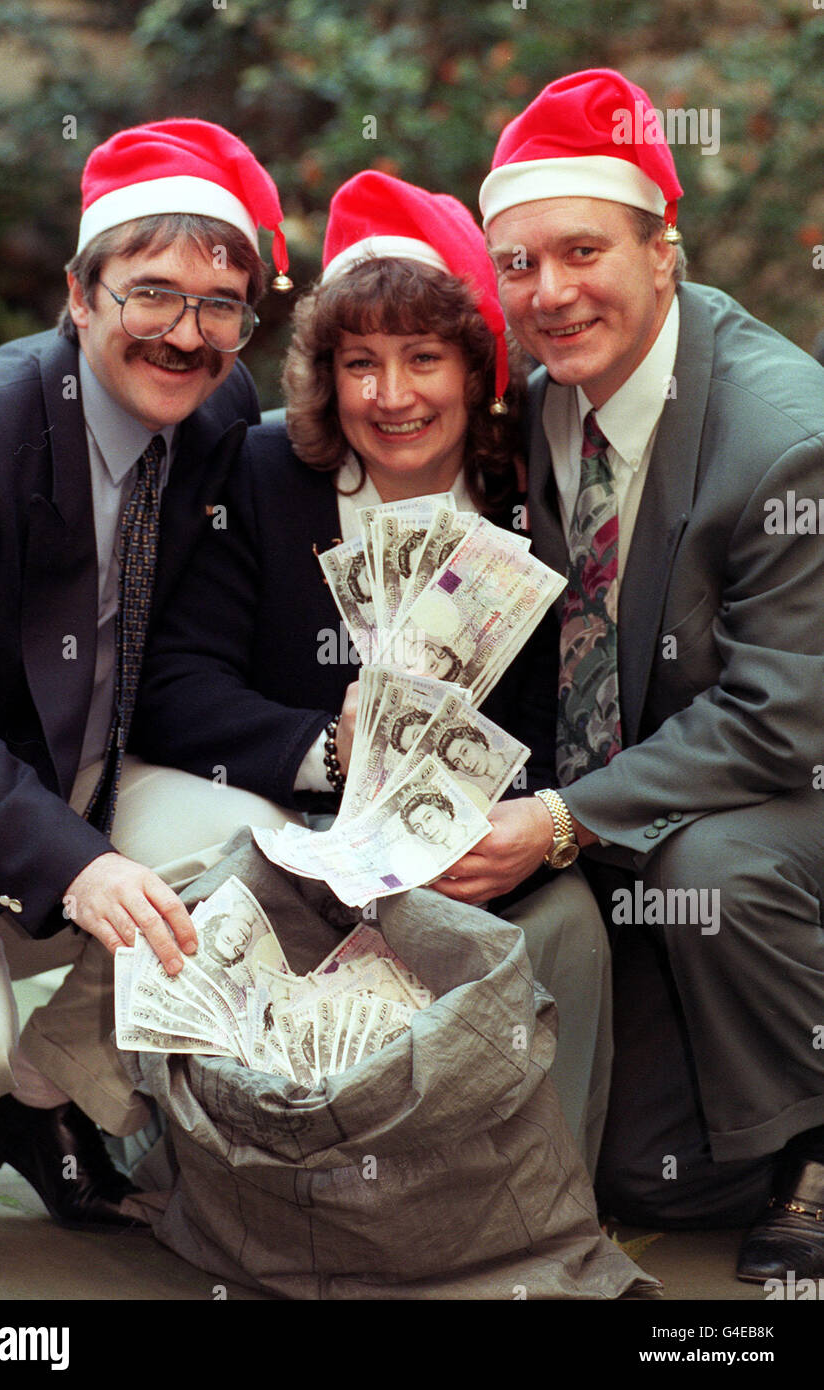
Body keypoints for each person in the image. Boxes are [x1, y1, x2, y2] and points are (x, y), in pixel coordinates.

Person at [135, 170, 613, 1174]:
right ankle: (246, 1183)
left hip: (470, 835)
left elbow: (560, 709)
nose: (392, 397)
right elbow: (175, 684)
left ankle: (543, 1197)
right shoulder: (262, 475)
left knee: (568, 920)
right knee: (245, 892)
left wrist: (486, 820)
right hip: (281, 816)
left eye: (423, 359)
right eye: (361, 363)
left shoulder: (532, 501)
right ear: (327, 375)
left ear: (476, 366)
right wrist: (325, 750)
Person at [433, 67, 824, 1280]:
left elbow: (780, 715)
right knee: (633, 1165)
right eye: (518, 265)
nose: (549, 294)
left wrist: (557, 821)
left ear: (667, 251)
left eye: (583, 251)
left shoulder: (785, 435)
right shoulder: (548, 407)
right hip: (650, 812)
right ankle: (750, 1130)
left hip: (781, 795)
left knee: (715, 870)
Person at [0, 118, 293, 1229]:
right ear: (80, 297)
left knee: (264, 855)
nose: (185, 333)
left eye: (219, 303)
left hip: (93, 774)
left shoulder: (220, 409)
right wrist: (77, 867)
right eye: (151, 293)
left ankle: (36, 1096)